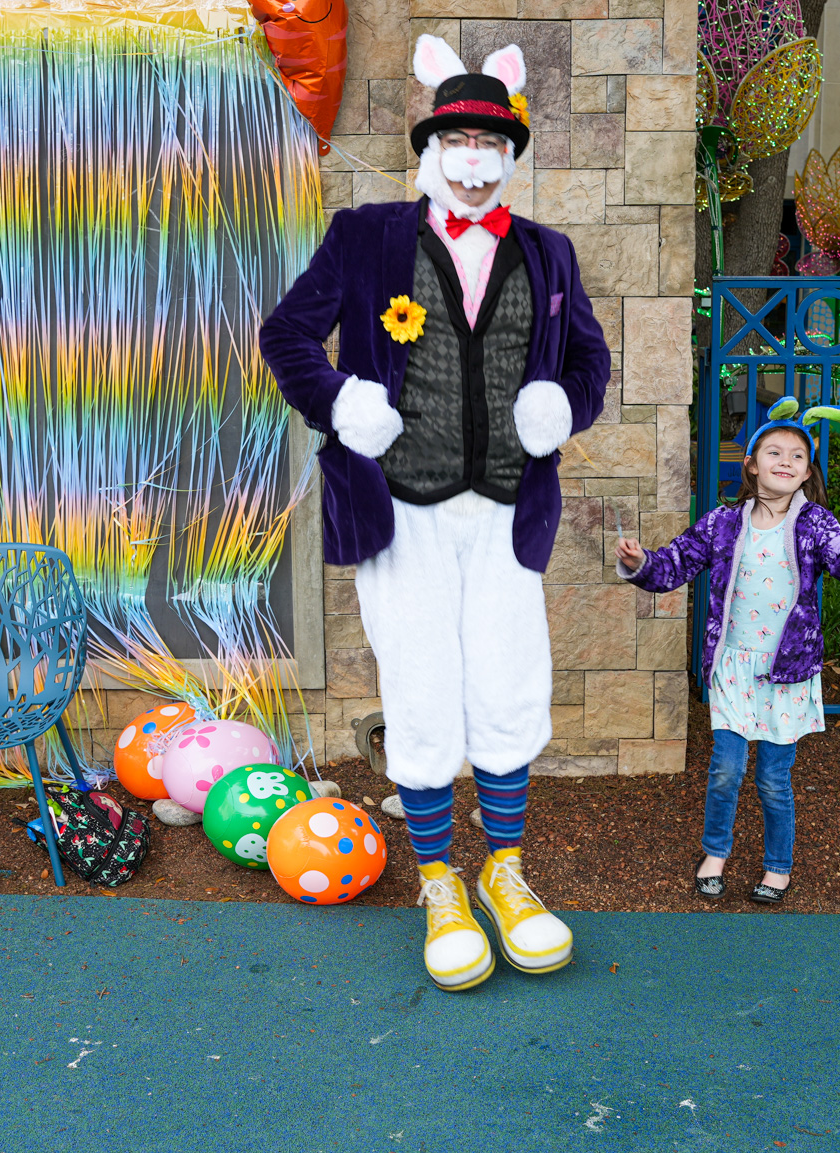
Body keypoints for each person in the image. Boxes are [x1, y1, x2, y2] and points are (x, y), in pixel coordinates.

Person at [259, 35, 611, 990]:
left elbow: (590, 364)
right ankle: (440, 882)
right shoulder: (366, 236)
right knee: (420, 691)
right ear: (431, 149)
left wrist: (563, 407)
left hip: (505, 513)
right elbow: (287, 332)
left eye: (493, 144)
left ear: (509, 156)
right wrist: (338, 401)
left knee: (504, 689)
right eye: (458, 140)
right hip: (401, 512)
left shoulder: (550, 253)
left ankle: (505, 870)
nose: (475, 160)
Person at [615, 399, 840, 903]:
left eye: (797, 456)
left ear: (807, 473)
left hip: (786, 673)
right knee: (725, 769)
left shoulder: (817, 525)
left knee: (772, 779)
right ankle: (715, 852)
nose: (786, 461)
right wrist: (641, 562)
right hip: (734, 668)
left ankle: (777, 865)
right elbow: (676, 564)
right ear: (752, 464)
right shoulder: (722, 522)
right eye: (774, 452)